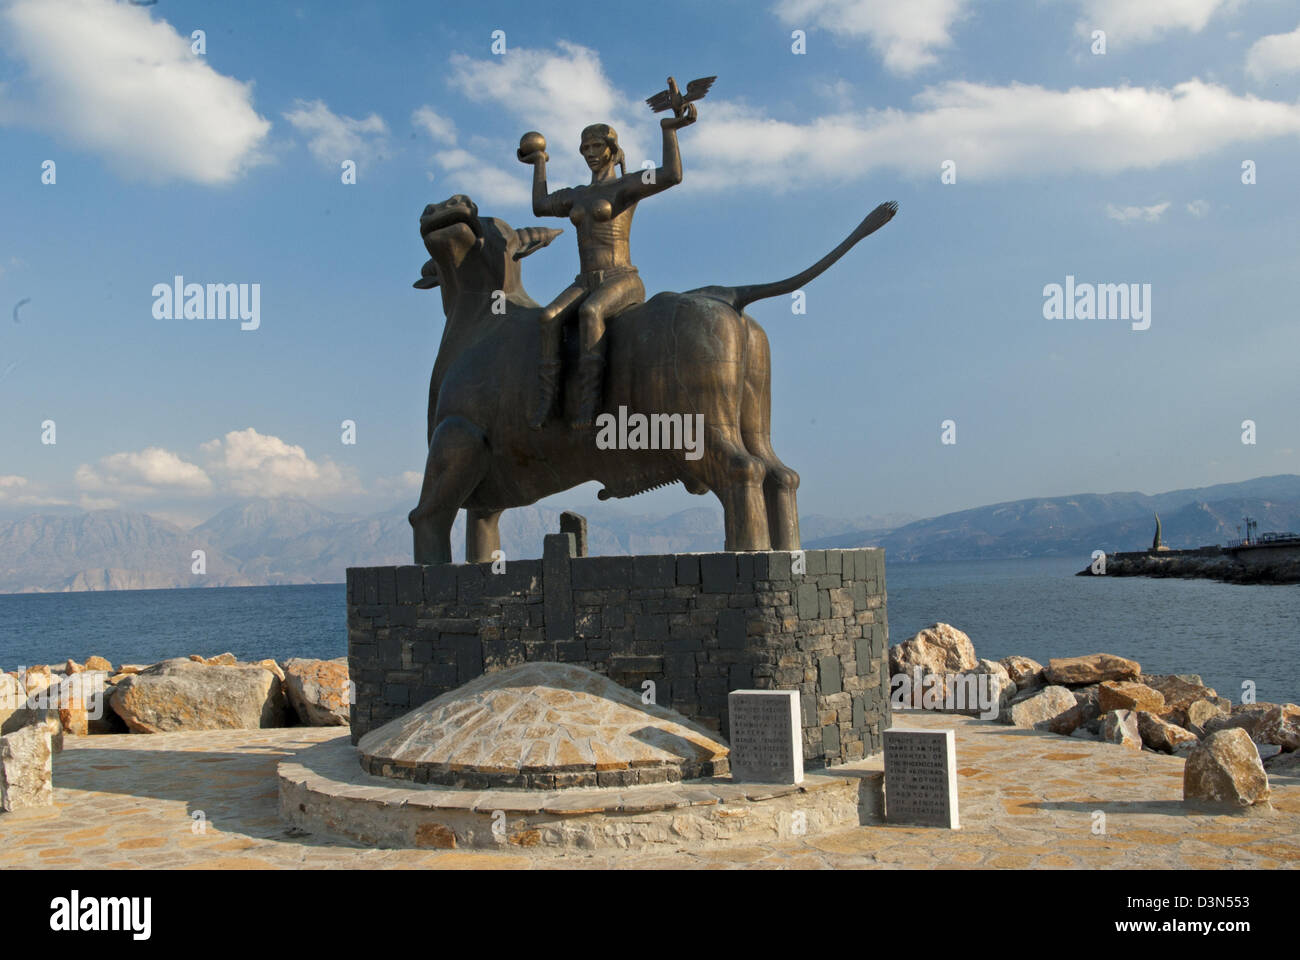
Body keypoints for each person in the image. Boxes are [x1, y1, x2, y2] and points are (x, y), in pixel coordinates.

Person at [518, 105, 696, 429]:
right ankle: (549, 402)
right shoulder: (577, 195)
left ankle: (590, 404)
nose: (590, 153)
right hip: (585, 279)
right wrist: (540, 162)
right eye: (584, 148)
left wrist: (669, 130)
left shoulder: (626, 185)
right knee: (547, 317)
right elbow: (540, 205)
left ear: (612, 148)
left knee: (590, 313)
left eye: (596, 146)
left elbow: (672, 174)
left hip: (622, 277)